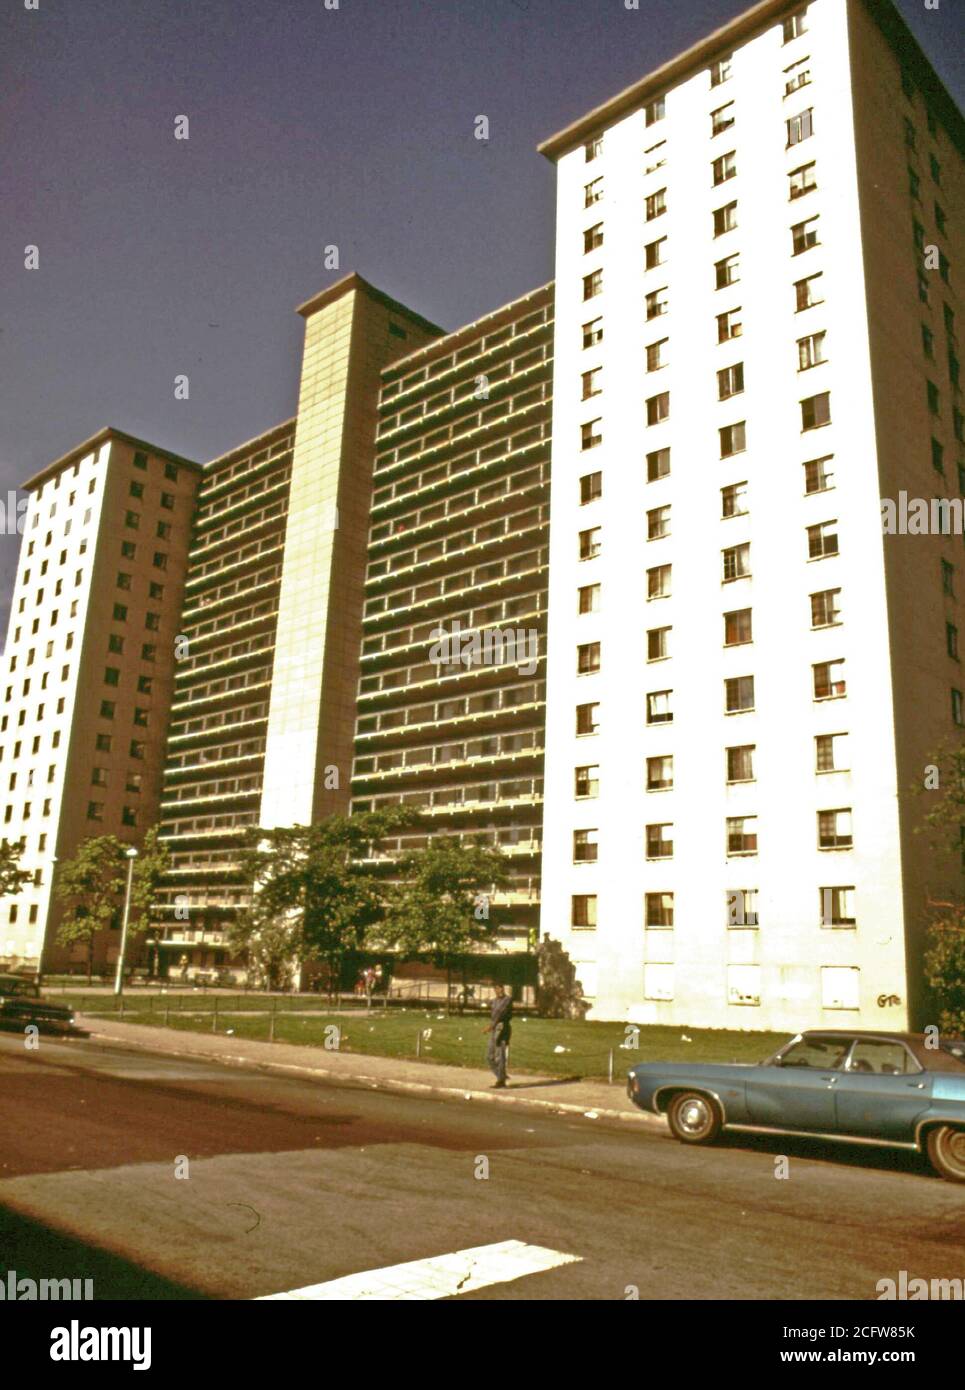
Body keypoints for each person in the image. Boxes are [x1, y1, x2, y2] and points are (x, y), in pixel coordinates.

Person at [483, 983, 512, 1088]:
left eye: (501, 988)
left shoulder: (507, 1000)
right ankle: (502, 1076)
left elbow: (500, 1013)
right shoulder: (495, 1001)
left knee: (500, 1056)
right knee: (489, 1057)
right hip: (495, 1029)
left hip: (503, 1028)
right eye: (497, 988)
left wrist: (491, 1026)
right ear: (494, 989)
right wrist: (485, 1001)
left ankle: (501, 1081)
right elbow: (490, 1004)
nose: (499, 990)